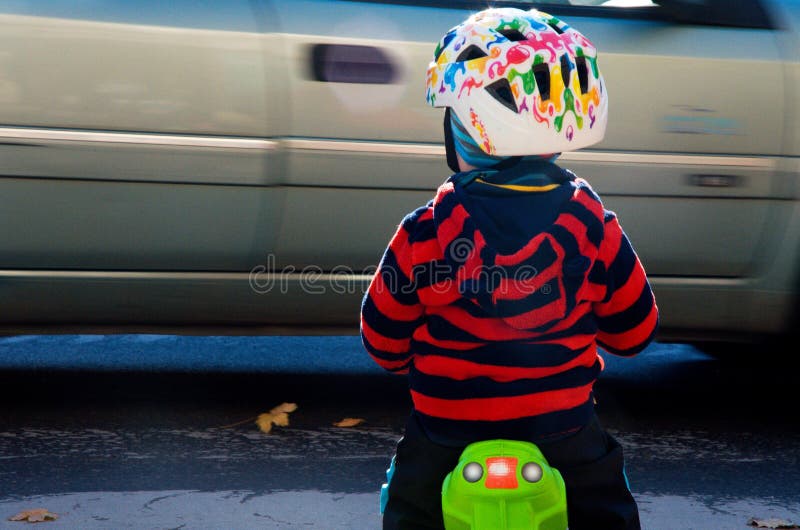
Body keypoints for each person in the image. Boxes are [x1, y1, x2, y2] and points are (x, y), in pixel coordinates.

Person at [360, 7, 658, 530]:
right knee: (605, 511)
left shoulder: (422, 233)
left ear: (468, 126)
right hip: (564, 435)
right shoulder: (596, 228)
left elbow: (381, 343)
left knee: (410, 510)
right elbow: (635, 334)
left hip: (445, 435)